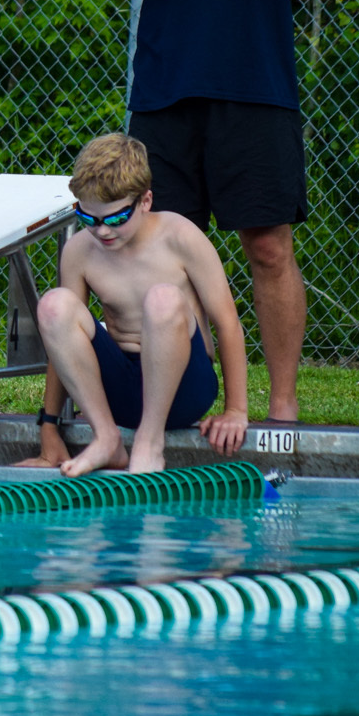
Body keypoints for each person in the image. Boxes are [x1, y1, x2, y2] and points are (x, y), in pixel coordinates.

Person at [73, 0, 331, 424]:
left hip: (254, 86)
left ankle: (281, 407)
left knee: (268, 246)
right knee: (161, 250)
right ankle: (191, 403)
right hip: (165, 92)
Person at [34, 134, 252, 474]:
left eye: (116, 219)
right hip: (119, 394)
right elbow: (61, 341)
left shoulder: (180, 237)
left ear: (145, 201)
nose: (103, 232)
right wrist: (49, 426)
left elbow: (228, 324)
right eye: (89, 219)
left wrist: (236, 410)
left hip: (184, 390)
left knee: (162, 299)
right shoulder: (80, 251)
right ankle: (106, 438)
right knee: (53, 305)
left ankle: (150, 443)